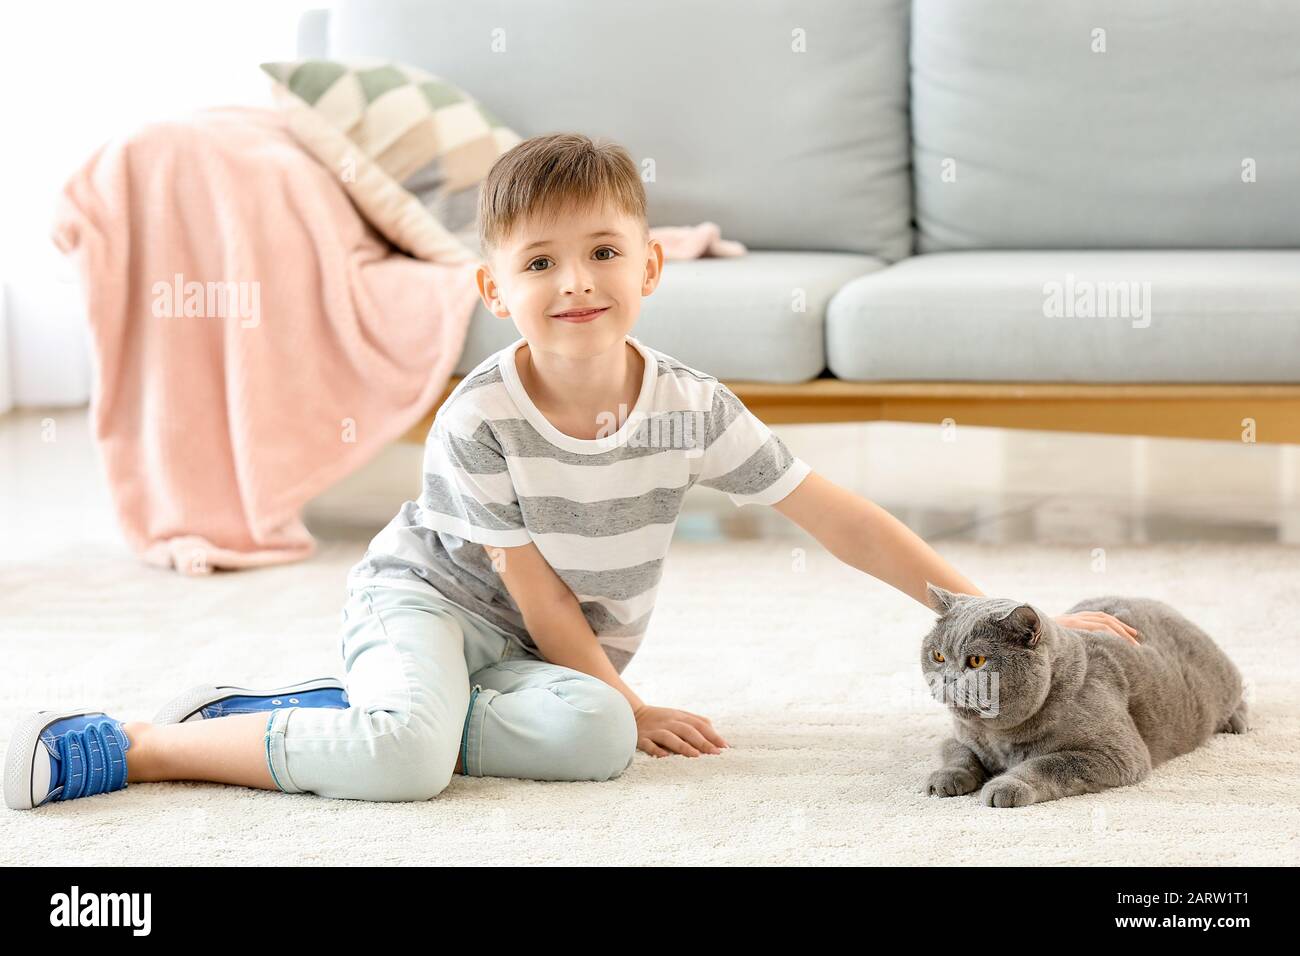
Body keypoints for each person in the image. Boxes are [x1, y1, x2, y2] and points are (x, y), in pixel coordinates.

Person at [4, 133, 1139, 810]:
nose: (576, 279)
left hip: (540, 650)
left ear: (648, 264)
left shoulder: (688, 402)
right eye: (539, 261)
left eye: (602, 251)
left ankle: (347, 714)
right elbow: (534, 583)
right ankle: (149, 740)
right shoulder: (481, 411)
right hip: (433, 604)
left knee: (597, 744)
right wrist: (630, 690)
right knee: (406, 764)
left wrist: (973, 608)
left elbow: (833, 513)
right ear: (495, 290)